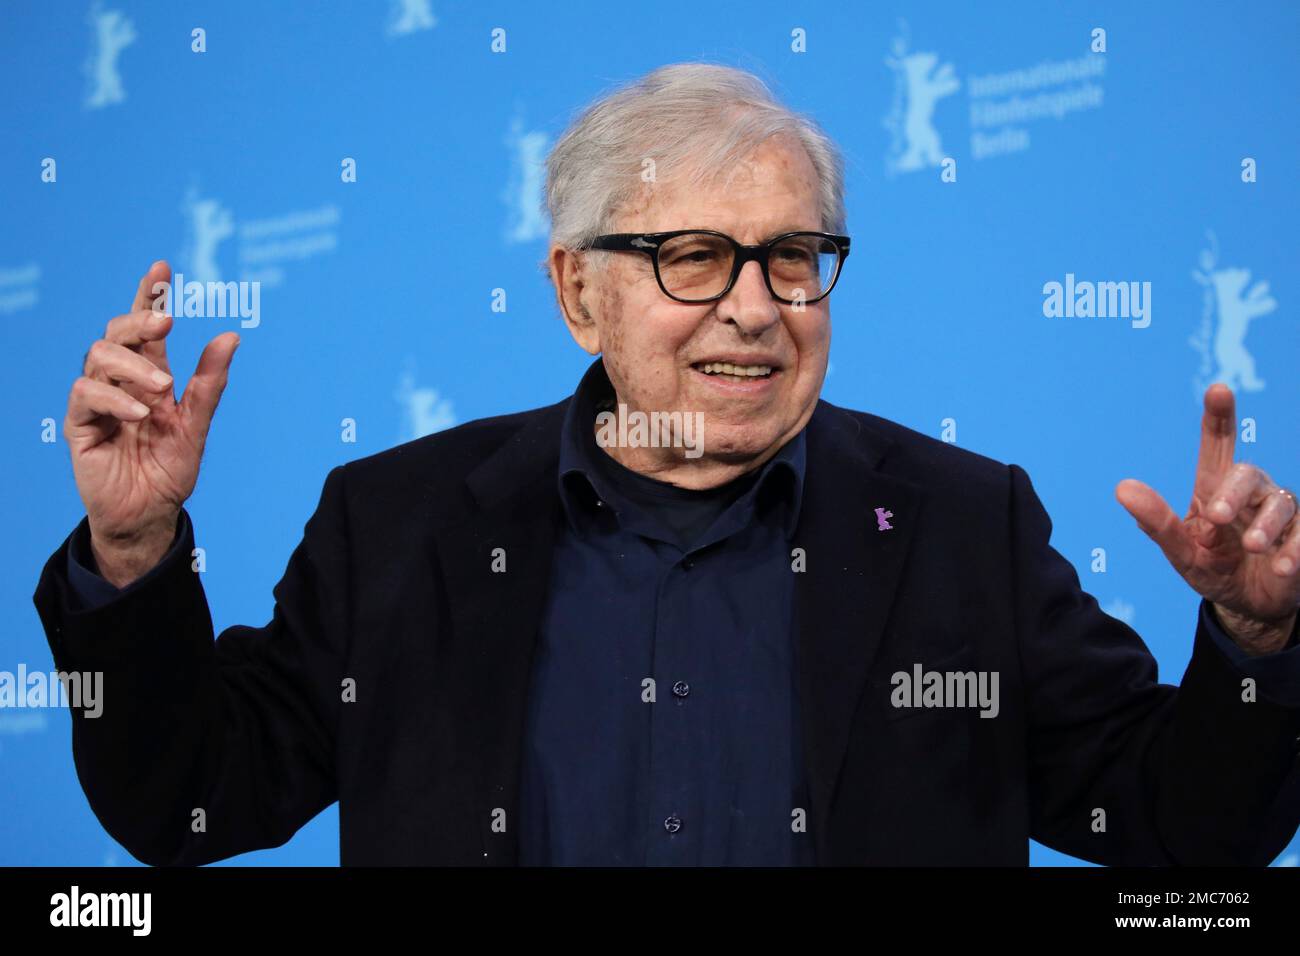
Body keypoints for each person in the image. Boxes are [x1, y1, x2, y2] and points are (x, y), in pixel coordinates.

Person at [34, 63, 1300, 866]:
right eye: (692, 256)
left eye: (794, 256)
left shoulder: (963, 524)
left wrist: (1252, 644)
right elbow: (187, 805)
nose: (755, 307)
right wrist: (134, 556)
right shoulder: (402, 521)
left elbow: (1183, 833)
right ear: (577, 291)